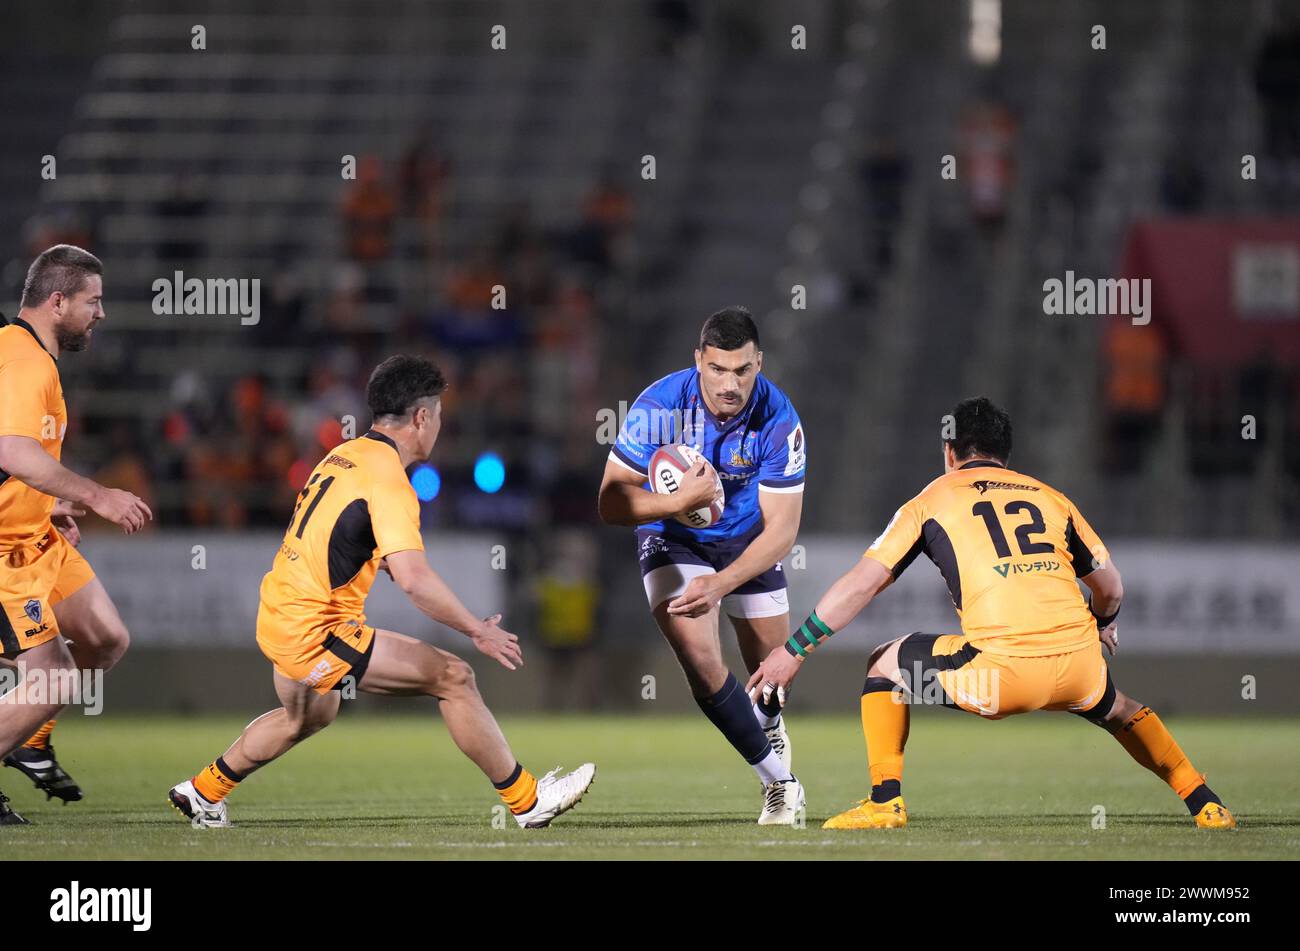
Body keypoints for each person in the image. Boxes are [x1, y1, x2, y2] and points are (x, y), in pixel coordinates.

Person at [747, 396, 1236, 831]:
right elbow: (1111, 587)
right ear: (1006, 456)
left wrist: (795, 650)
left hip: (998, 678)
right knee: (1117, 706)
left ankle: (884, 802)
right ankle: (1205, 802)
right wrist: (1104, 623)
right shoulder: (1051, 497)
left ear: (949, 452)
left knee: (884, 665)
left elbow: (862, 583)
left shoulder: (932, 499)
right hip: (1079, 668)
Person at [170, 355, 594, 829]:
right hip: (315, 630)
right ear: (421, 417)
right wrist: (478, 630)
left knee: (307, 716)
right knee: (455, 678)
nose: (440, 424)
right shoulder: (389, 479)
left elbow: (339, 534)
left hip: (279, 614)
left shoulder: (343, 454)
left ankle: (203, 791)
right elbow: (415, 581)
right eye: (438, 414)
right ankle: (528, 800)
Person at [597, 306, 807, 824]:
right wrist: (673, 503)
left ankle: (768, 720)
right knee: (701, 659)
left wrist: (724, 582)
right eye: (717, 369)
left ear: (758, 362)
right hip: (674, 539)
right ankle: (781, 785)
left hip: (748, 544)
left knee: (771, 680)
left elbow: (782, 531)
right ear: (698, 361)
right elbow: (610, 504)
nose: (729, 384)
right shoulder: (659, 405)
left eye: (741, 370)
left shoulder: (780, 420)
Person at [0, 245, 152, 825]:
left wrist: (50, 499)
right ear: (58, 301)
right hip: (6, 556)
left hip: (36, 531)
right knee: (53, 679)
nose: (101, 314)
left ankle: (28, 738)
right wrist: (97, 495)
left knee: (107, 639)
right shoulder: (24, 362)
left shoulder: (29, 353)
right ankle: (21, 726)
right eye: (94, 301)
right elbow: (12, 451)